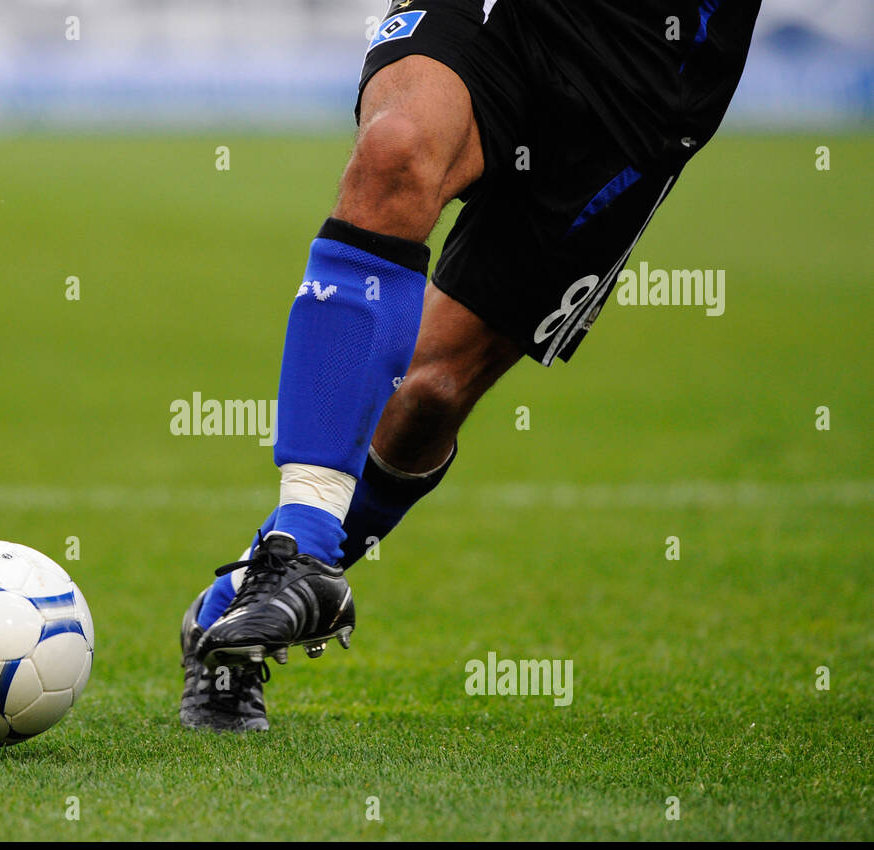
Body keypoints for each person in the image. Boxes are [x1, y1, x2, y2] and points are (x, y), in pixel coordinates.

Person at [180, 0, 763, 732]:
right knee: (397, 148)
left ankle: (226, 612)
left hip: (652, 48)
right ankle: (300, 544)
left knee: (428, 394)